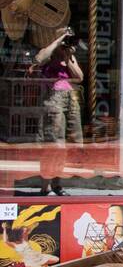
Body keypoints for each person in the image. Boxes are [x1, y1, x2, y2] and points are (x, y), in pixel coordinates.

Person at [33, 25, 84, 194]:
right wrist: (57, 42)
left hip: (70, 99)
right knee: (54, 145)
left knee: (68, 145)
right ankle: (45, 185)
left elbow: (79, 77)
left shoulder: (68, 56)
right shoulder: (50, 53)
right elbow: (39, 59)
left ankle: (57, 184)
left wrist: (68, 57)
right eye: (64, 36)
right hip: (53, 99)